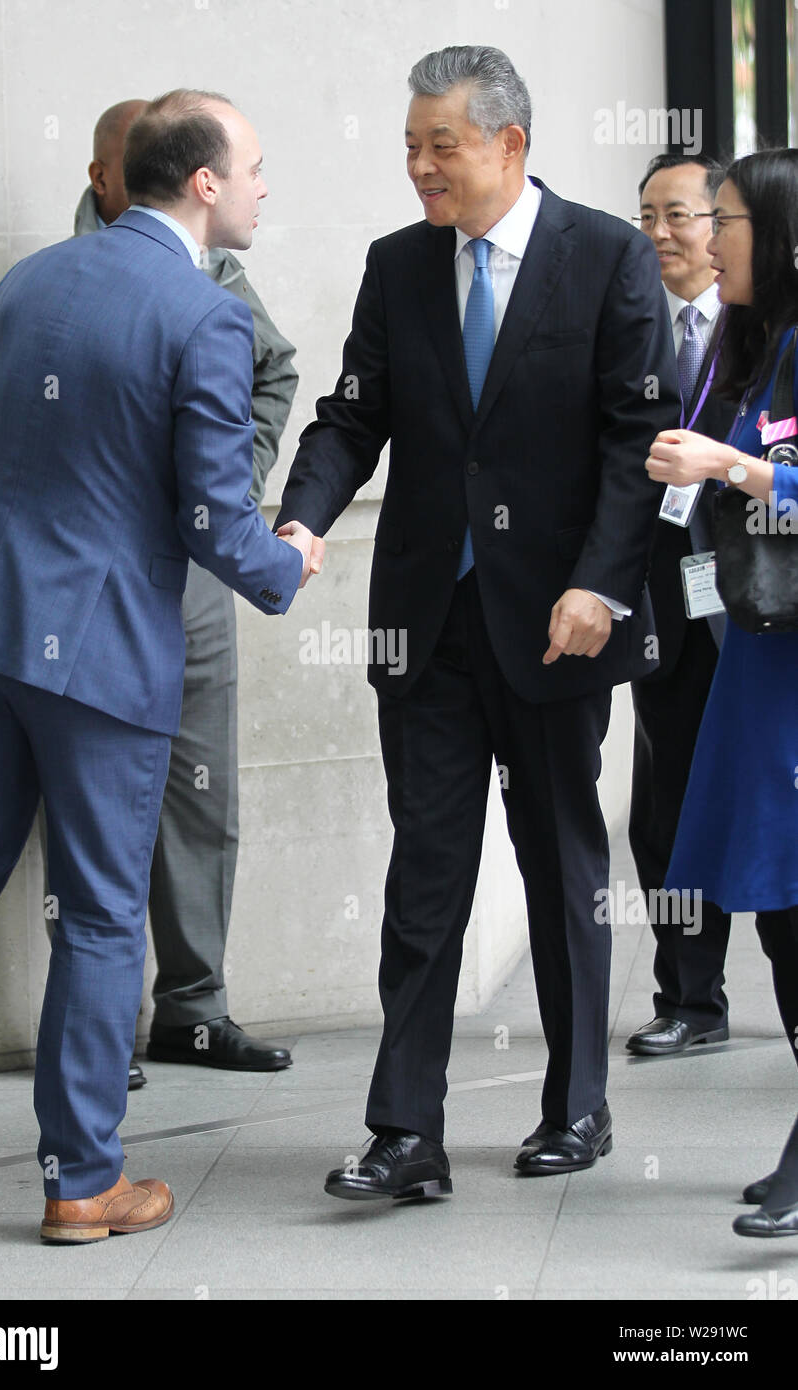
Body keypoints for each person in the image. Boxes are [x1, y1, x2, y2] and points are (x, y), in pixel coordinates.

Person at [0, 89, 321, 1242]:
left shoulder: (28, 282)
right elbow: (208, 515)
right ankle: (82, 1181)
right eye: (252, 168)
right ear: (202, 185)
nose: (262, 187)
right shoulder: (204, 315)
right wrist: (287, 558)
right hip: (97, 660)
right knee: (97, 915)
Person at [276, 44, 679, 1201]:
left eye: (438, 145)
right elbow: (353, 417)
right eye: (410, 145)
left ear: (509, 142)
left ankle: (578, 1105)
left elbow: (631, 439)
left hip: (559, 626)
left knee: (560, 866)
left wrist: (601, 584)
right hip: (428, 626)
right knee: (427, 874)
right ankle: (406, 1133)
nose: (418, 168)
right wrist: (302, 523)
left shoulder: (603, 257)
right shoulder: (398, 265)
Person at [64, 99, 301, 1092]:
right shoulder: (60, 283)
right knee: (95, 807)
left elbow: (274, 370)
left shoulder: (216, 271)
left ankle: (194, 1009)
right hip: (96, 589)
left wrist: (233, 495)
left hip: (198, 577)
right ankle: (96, 1036)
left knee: (203, 792)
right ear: (102, 176)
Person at [646, 148, 798, 1236]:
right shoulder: (761, 347)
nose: (709, 235)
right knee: (780, 917)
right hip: (755, 668)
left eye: (727, 218)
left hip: (788, 677)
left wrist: (735, 470)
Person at [627, 154, 740, 1059]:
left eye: (678, 216)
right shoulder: (631, 330)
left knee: (762, 801)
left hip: (754, 610)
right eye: (645, 218)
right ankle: (689, 998)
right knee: (663, 808)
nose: (659, 234)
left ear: (720, 225)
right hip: (662, 604)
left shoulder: (763, 334)